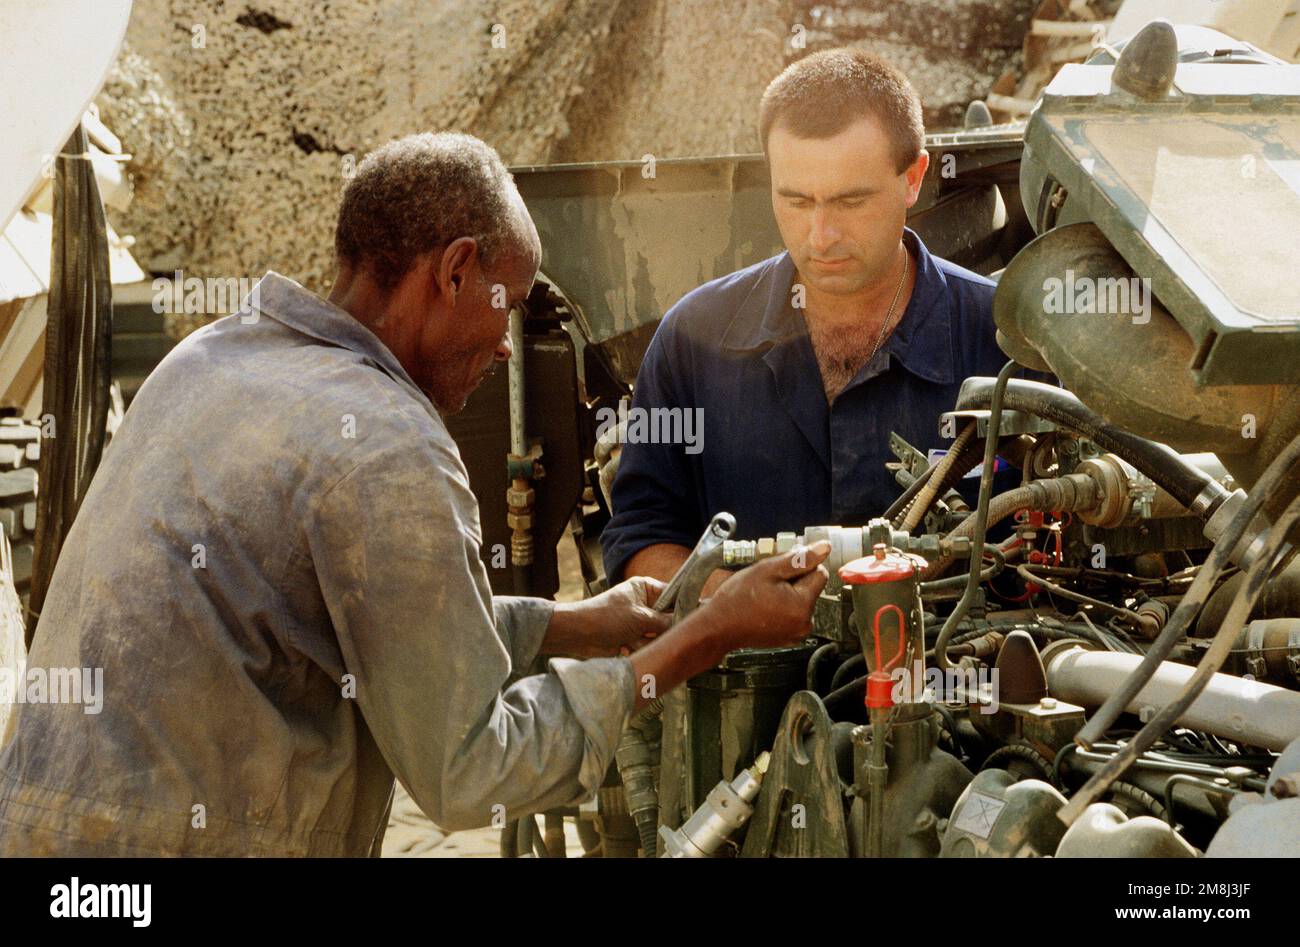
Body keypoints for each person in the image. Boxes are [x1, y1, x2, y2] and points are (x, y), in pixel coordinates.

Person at [0, 132, 830, 856]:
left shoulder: (214, 356)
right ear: (456, 271)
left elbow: (360, 620)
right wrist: (708, 636)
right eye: (504, 307)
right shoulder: (384, 441)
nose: (508, 348)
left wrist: (575, 622)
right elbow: (473, 769)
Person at [602, 49, 1017, 592]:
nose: (820, 236)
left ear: (914, 178)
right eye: (796, 201)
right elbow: (639, 536)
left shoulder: (1008, 341)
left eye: (851, 201)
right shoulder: (694, 341)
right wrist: (737, 605)